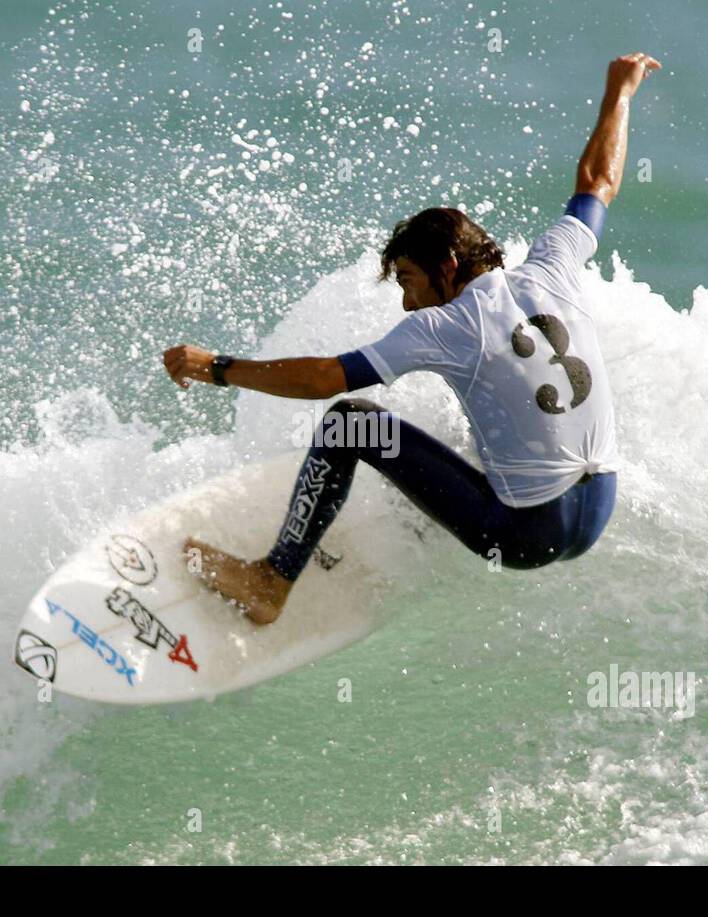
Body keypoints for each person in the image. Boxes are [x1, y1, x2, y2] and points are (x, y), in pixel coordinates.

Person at [163, 52, 662, 624]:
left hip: (524, 533)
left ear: (448, 266)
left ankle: (270, 580)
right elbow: (598, 182)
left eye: (409, 280)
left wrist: (217, 367)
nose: (406, 300)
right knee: (465, 420)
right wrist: (620, 92)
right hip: (597, 510)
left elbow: (326, 378)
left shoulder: (447, 324)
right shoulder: (554, 265)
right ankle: (387, 525)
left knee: (350, 422)